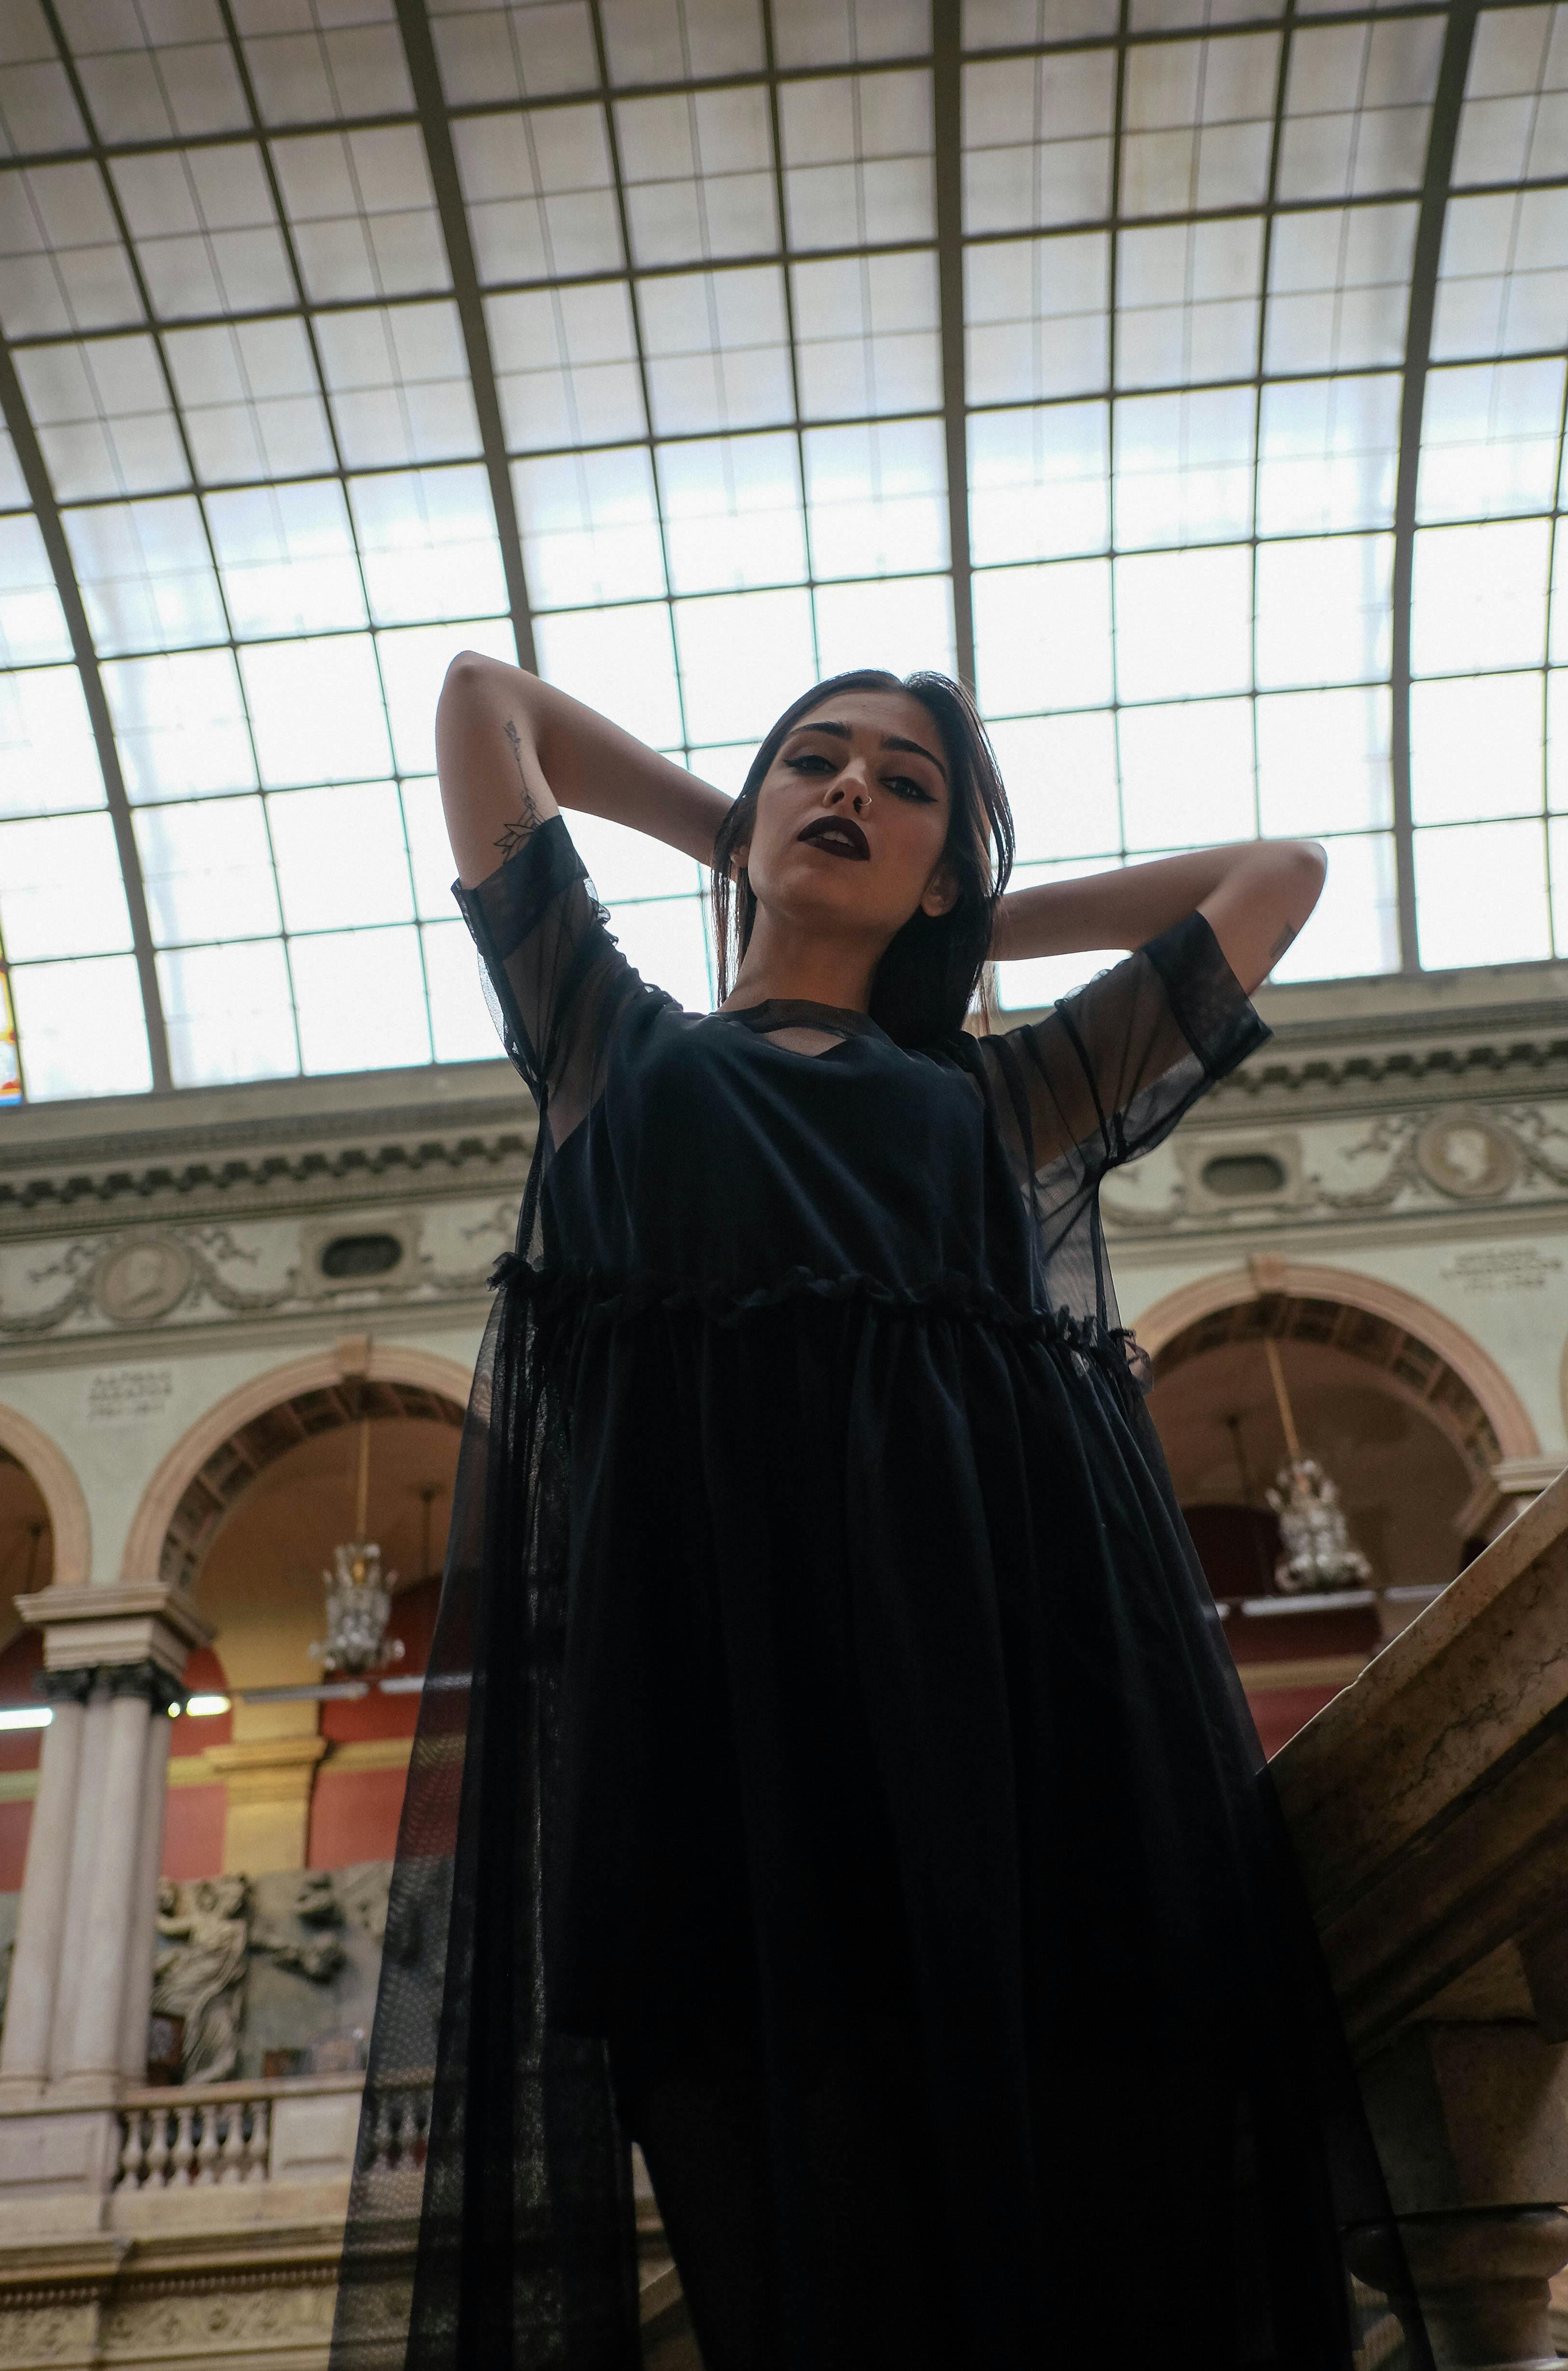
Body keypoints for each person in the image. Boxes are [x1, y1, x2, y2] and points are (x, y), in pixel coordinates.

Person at [334, 658, 1427, 2371]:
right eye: (814, 761)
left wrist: (959, 918)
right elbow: (489, 705)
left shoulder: (1000, 1102)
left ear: (948, 870)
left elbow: (1273, 878)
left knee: (1106, 2246)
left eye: (906, 780)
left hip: (1019, 1734)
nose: (849, 786)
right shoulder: (604, 1035)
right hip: (712, 1749)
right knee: (796, 2254)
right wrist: (760, 834)